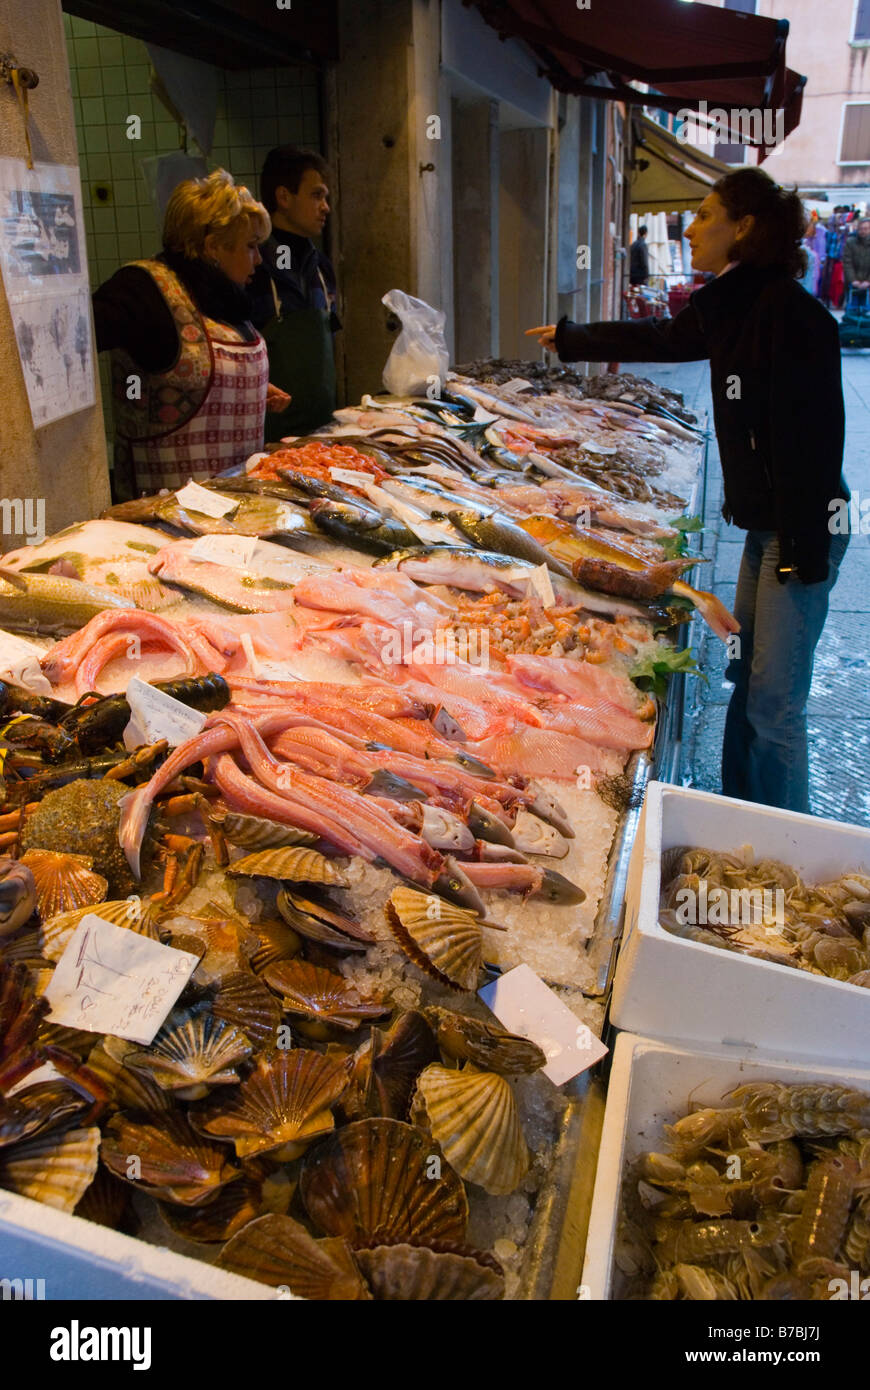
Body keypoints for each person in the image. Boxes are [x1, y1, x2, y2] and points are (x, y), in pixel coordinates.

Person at [526, 167, 849, 815]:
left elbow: (816, 441)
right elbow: (663, 339)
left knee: (775, 705)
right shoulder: (733, 301)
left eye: (705, 215)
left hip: (799, 529)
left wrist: (800, 551)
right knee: (745, 677)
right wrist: (574, 337)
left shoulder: (789, 312)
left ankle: (786, 841)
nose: (691, 229)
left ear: (744, 226)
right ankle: (737, 814)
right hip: (768, 528)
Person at [93, 170, 290, 499]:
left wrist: (252, 388)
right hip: (164, 515)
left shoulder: (227, 298)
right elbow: (70, 347)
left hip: (240, 509)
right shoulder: (143, 291)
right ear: (213, 247)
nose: (259, 259)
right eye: (251, 246)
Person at [248, 146, 341, 441]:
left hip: (321, 434)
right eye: (316, 195)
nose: (325, 207)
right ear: (284, 197)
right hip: (266, 439)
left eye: (325, 198)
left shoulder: (321, 268)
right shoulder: (252, 268)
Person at [842, 217, 870, 308]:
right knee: (852, 310)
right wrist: (853, 280)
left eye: (866, 229)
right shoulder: (850, 242)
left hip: (868, 284)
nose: (863, 231)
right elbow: (847, 263)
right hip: (853, 284)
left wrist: (868, 281)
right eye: (861, 229)